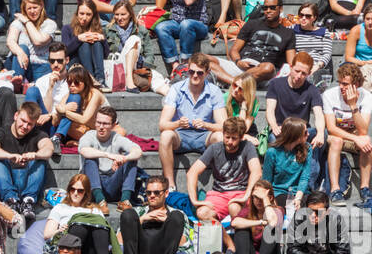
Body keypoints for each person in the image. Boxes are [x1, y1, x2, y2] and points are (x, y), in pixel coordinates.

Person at [157, 53, 224, 187]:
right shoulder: (176, 89)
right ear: (187, 69)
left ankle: (220, 182)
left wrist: (206, 125)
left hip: (204, 136)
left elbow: (223, 126)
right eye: (191, 71)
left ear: (207, 73)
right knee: (165, 136)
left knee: (220, 137)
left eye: (199, 73)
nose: (194, 76)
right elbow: (162, 125)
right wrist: (178, 123)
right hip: (181, 135)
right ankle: (170, 185)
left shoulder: (214, 91)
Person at [0, 101, 51, 223]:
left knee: (41, 160)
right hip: (6, 183)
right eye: (23, 121)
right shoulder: (2, 132)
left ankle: (28, 201)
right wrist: (9, 156)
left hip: (28, 182)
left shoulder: (38, 134)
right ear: (15, 116)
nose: (25, 126)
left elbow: (48, 149)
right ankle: (10, 201)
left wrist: (36, 155)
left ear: (35, 124)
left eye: (30, 124)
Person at [187, 116, 260, 224]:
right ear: (223, 134)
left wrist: (246, 195)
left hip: (241, 192)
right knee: (202, 213)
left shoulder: (247, 147)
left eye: (234, 138)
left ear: (241, 138)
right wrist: (194, 201)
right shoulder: (215, 148)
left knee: (234, 208)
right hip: (219, 194)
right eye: (227, 137)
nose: (230, 141)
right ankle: (226, 239)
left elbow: (256, 172)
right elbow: (192, 173)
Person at [120, 176, 190, 254]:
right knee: (127, 213)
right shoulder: (138, 212)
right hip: (139, 252)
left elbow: (184, 243)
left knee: (177, 216)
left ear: (166, 194)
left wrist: (168, 222)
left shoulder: (176, 214)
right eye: (149, 193)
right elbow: (119, 240)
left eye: (156, 193)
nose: (152, 196)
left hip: (164, 252)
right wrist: (142, 220)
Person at [218, 0, 295, 86]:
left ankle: (232, 82)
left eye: (272, 7)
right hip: (242, 66)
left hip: (263, 74)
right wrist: (238, 62)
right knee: (204, 60)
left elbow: (291, 63)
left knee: (268, 68)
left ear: (281, 8)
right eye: (265, 8)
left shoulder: (288, 33)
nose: (268, 10)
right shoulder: (251, 24)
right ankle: (237, 82)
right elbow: (234, 50)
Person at [78, 106, 142, 212]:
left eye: (105, 124)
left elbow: (138, 151)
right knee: (90, 159)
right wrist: (108, 155)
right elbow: (84, 150)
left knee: (131, 158)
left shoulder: (117, 138)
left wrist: (124, 159)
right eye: (98, 122)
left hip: (113, 183)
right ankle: (100, 201)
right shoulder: (89, 136)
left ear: (113, 125)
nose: (101, 127)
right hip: (92, 186)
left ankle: (125, 200)